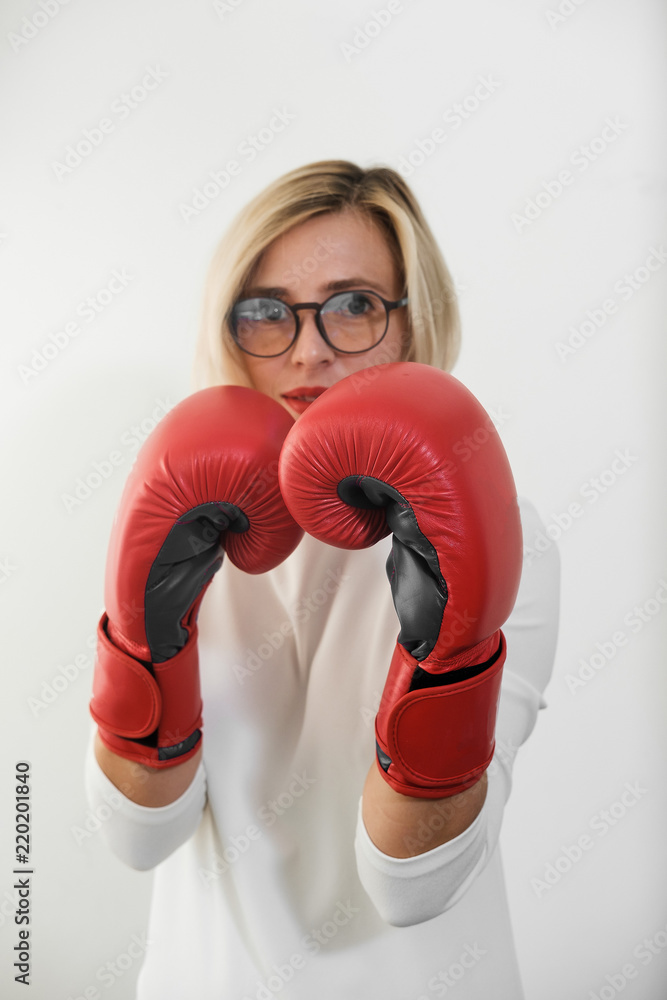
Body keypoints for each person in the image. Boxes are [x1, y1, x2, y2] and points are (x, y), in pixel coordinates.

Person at [86, 160, 560, 999]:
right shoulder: (182, 511)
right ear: (227, 331)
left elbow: (410, 885)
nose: (307, 348)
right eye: (265, 312)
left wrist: (446, 644)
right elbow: (135, 839)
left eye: (353, 306)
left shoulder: (503, 531)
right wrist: (143, 638)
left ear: (414, 326)